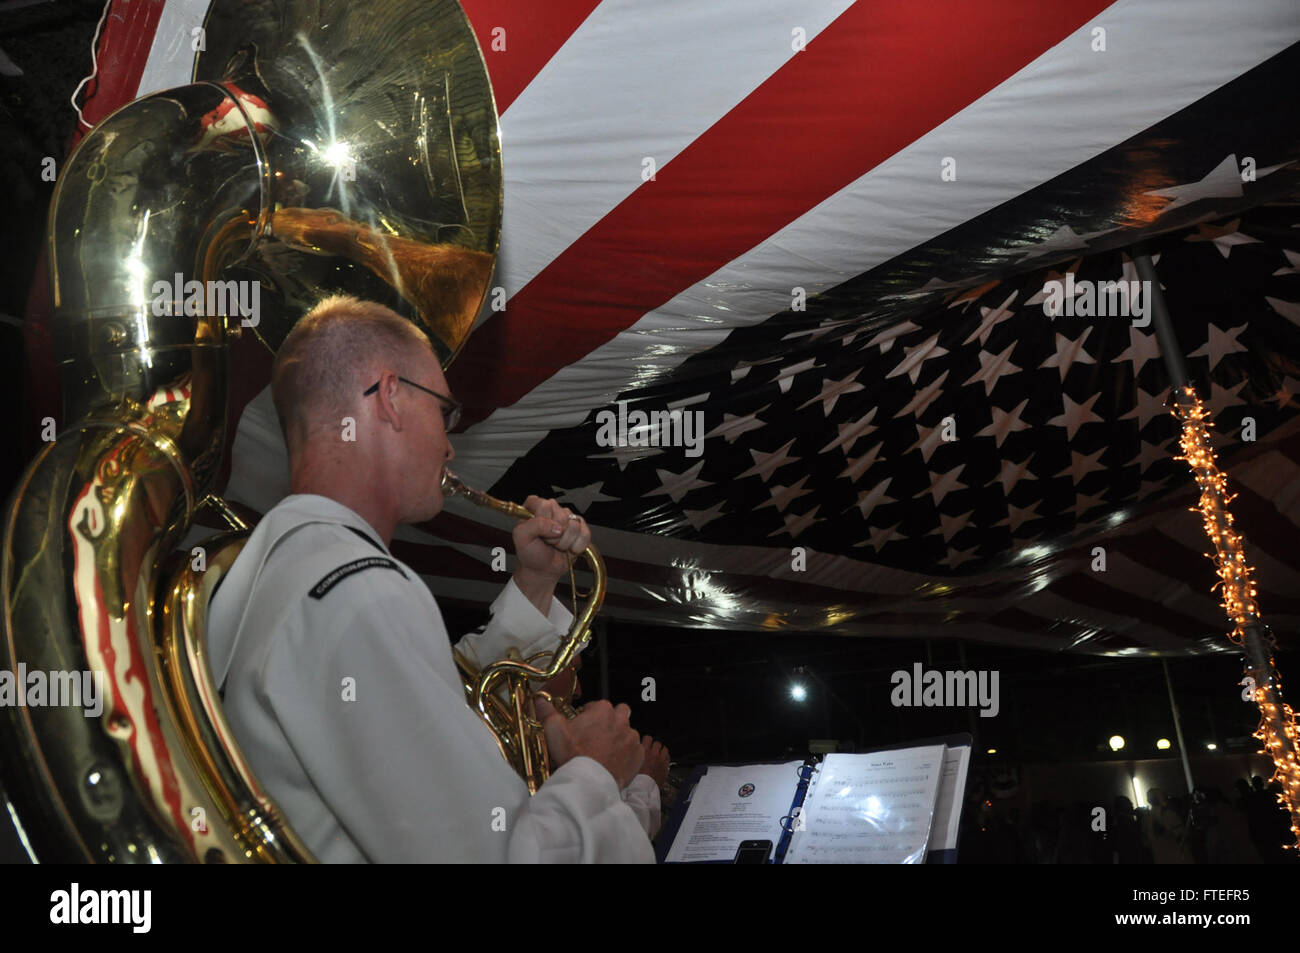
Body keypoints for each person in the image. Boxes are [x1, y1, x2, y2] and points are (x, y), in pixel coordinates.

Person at [207, 295, 654, 862]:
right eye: (444, 412)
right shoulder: (357, 590)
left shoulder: (279, 568)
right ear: (390, 398)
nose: (448, 444)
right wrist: (595, 772)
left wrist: (536, 583)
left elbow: (430, 705)